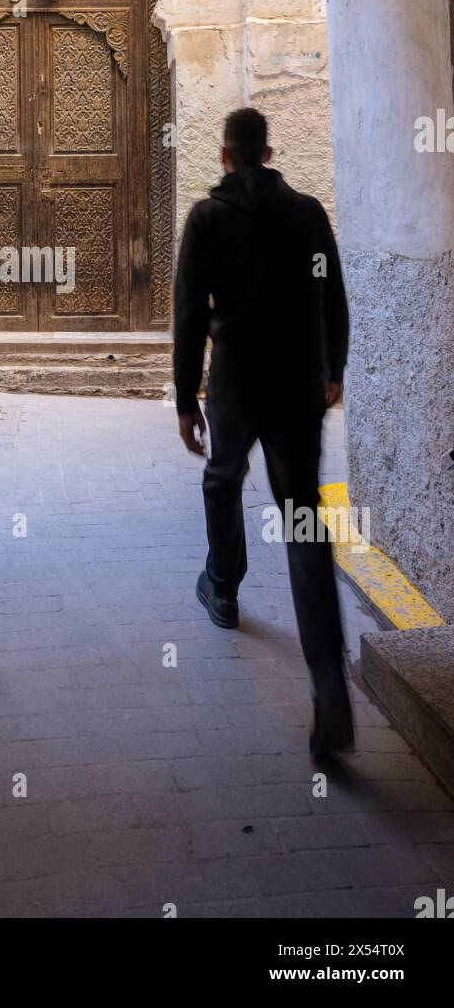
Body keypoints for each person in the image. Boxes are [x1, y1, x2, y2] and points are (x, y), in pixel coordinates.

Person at [173, 107, 353, 755]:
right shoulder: (307, 214)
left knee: (222, 480)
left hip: (237, 385)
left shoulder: (208, 219)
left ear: (226, 156)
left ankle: (223, 583)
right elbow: (333, 297)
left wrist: (184, 398)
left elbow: (191, 311)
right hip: (297, 385)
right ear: (269, 153)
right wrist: (332, 370)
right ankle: (329, 686)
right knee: (305, 518)